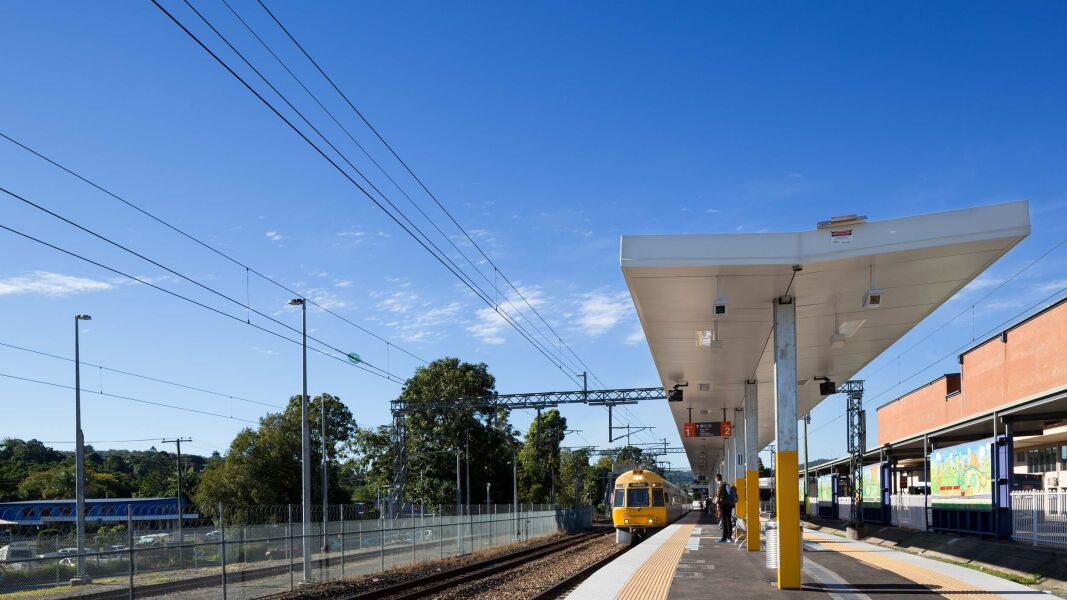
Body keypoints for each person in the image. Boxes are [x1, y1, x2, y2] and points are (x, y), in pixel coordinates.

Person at [714, 474, 733, 543]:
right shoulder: (726, 484)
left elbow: (718, 497)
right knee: (729, 521)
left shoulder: (720, 485)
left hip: (724, 505)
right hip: (729, 504)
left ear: (716, 479)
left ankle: (724, 538)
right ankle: (729, 537)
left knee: (724, 521)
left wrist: (715, 502)